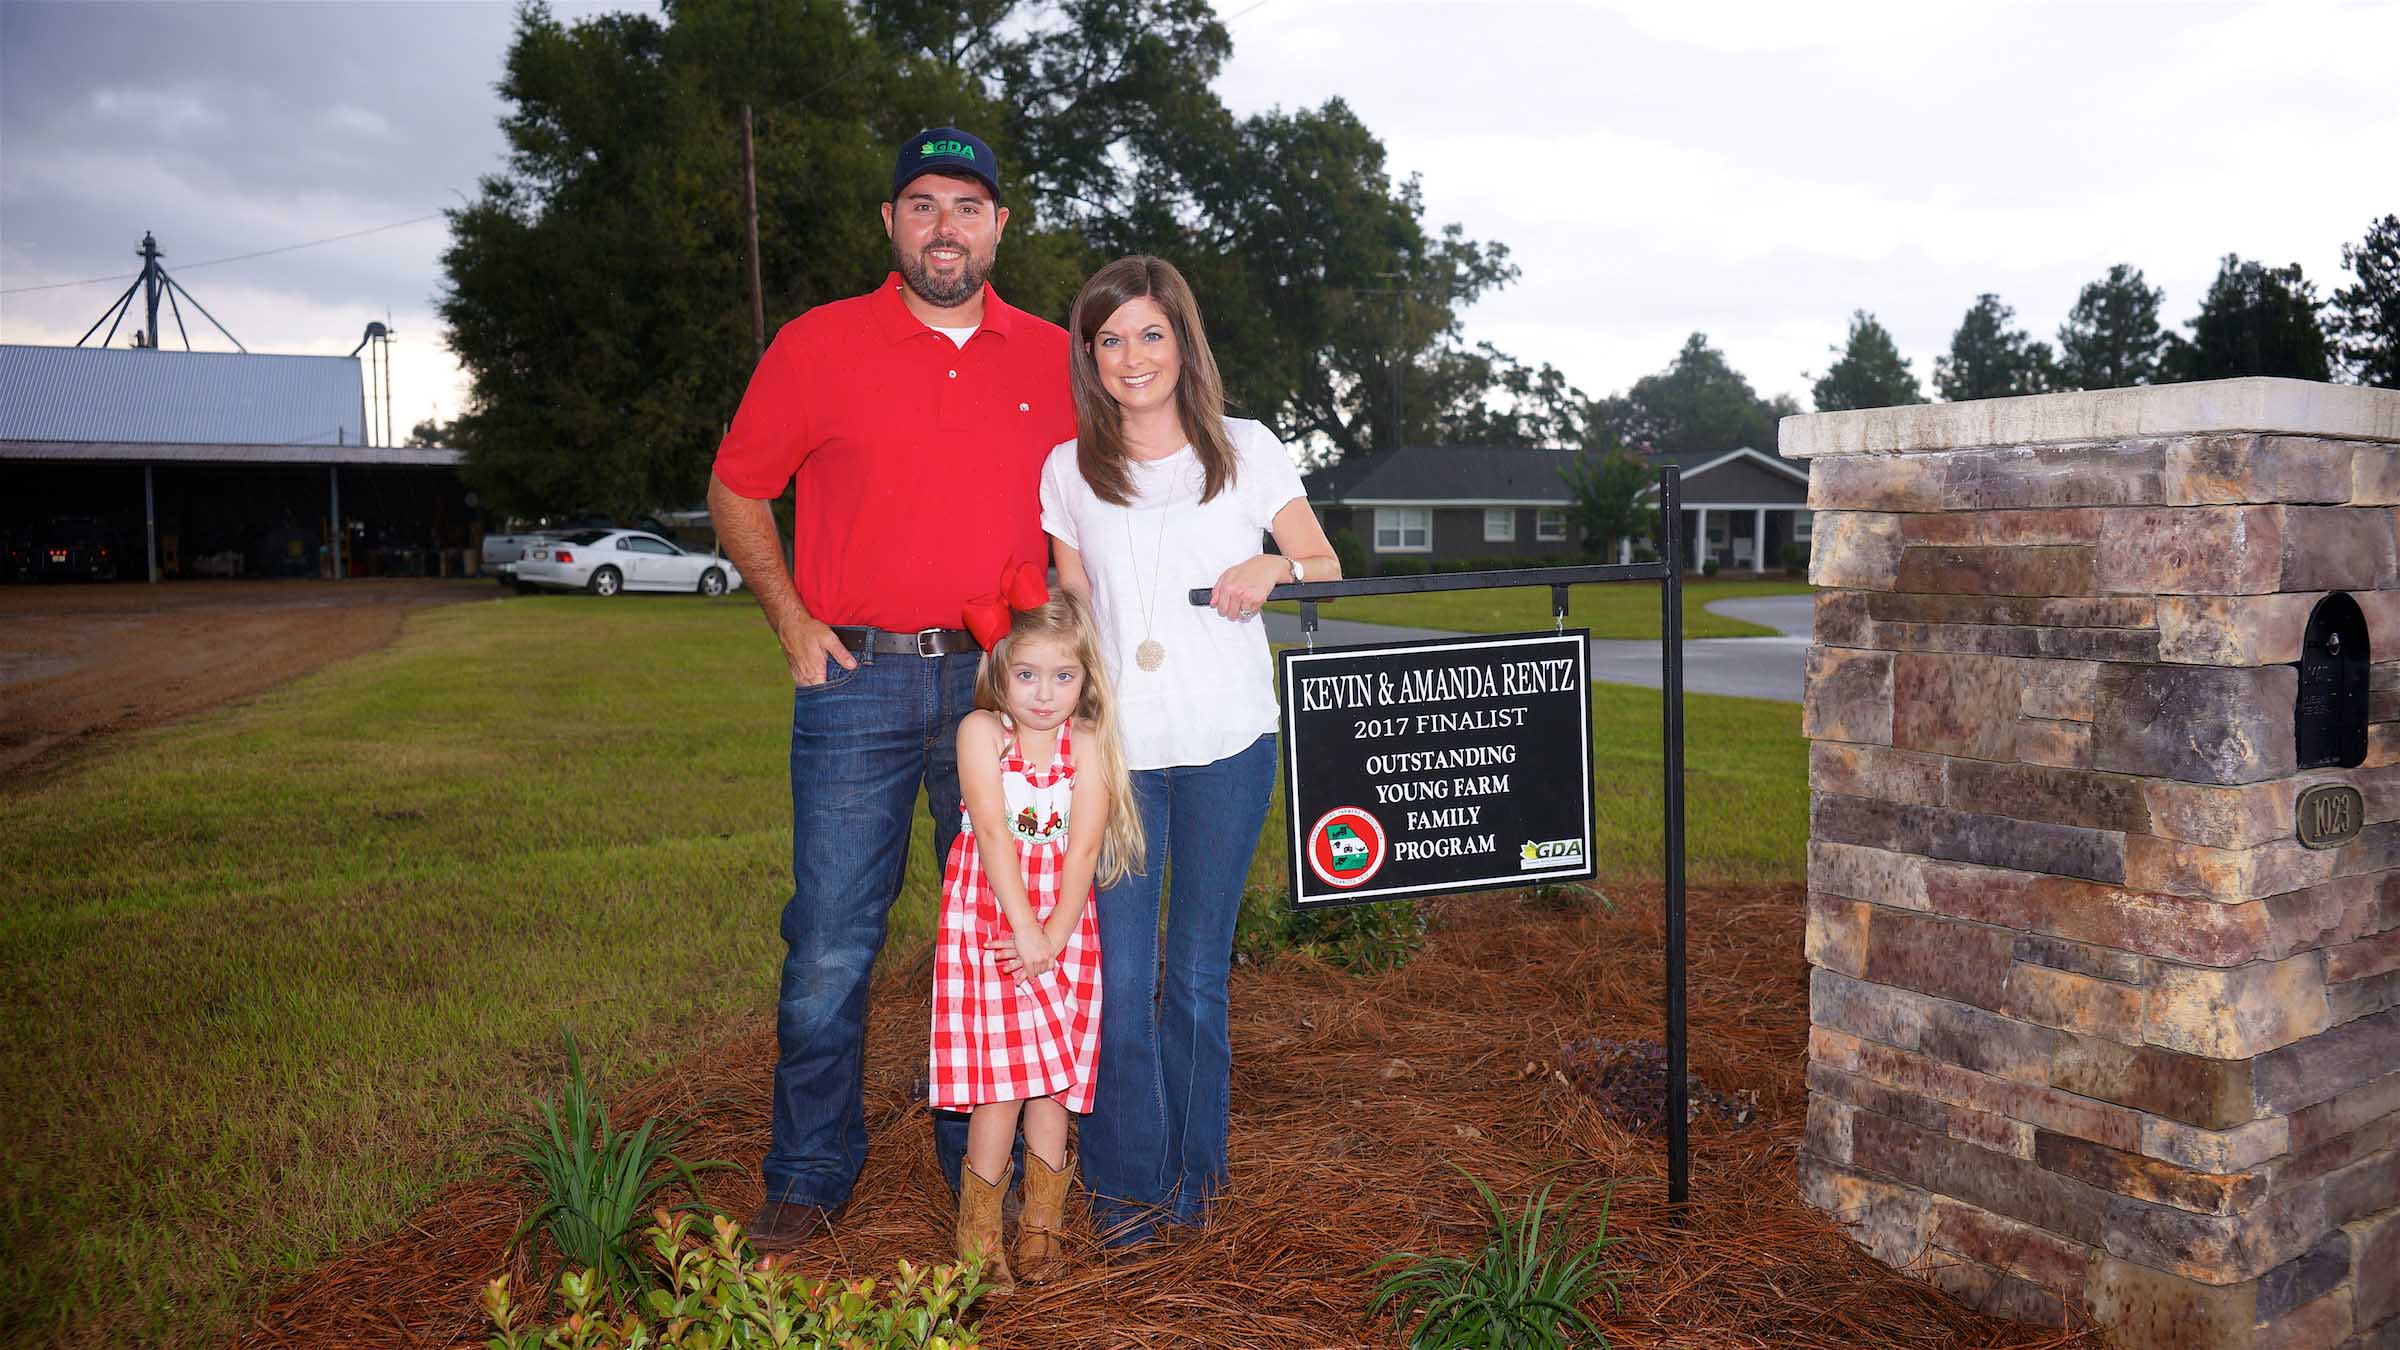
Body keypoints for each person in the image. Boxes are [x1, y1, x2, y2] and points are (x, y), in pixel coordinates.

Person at [705, 126, 1074, 1251]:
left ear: (1000, 225)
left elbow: (1112, 501)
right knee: (828, 942)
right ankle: (810, 1174)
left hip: (1009, 695)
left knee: (1008, 931)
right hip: (856, 681)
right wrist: (792, 621)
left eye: (967, 205)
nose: (944, 226)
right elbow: (735, 489)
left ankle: (989, 1165)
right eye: (922, 204)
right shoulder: (819, 345)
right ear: (890, 224)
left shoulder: (1056, 355)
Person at [1039, 255, 1341, 1243]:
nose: (1133, 356)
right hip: (1120, 763)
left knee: (1197, 981)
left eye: (1150, 334)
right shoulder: (1068, 468)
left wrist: (1270, 559)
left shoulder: (1245, 449)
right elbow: (1074, 614)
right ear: (1091, 356)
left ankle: (1194, 1194)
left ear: (1183, 341)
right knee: (1122, 988)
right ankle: (1127, 1199)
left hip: (1227, 747)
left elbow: (1324, 560)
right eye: (1111, 339)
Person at [932, 577, 1143, 1288]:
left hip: (1062, 926)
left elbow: (1083, 849)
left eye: (1063, 675)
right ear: (999, 670)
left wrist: (1052, 936)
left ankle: (1040, 1235)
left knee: (1053, 1081)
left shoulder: (1088, 744)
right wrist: (1025, 930)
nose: (1044, 692)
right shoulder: (981, 734)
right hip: (993, 918)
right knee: (1001, 1085)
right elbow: (991, 833)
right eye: (1027, 674)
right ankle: (980, 1243)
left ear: (1085, 681)